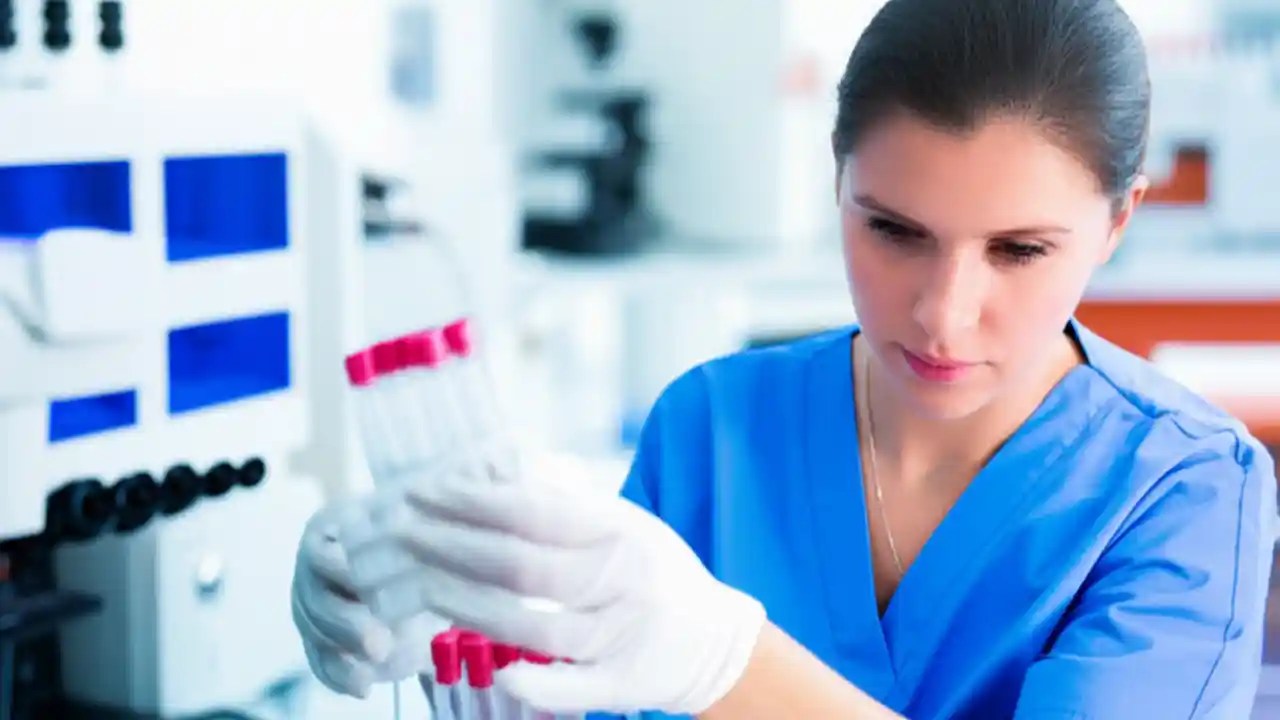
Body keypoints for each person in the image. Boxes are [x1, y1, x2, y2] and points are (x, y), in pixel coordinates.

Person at [291, 0, 1279, 717]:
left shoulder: (1187, 491)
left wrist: (724, 663)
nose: (942, 313)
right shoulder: (711, 430)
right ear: (836, 182)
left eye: (1018, 251)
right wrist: (441, 629)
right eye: (892, 229)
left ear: (1115, 223)